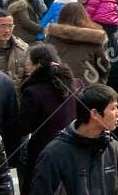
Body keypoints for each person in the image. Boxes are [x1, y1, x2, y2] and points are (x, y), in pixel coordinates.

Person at [17, 44, 77, 184]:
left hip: (43, 150)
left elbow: (24, 127)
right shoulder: (71, 85)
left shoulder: (33, 91)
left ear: (38, 65)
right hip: (71, 147)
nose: (27, 67)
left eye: (29, 63)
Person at [43, 1, 108, 84]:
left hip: (57, 83)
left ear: (61, 16)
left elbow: (43, 61)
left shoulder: (52, 37)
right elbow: (104, 66)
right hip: (86, 85)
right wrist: (100, 83)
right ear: (84, 16)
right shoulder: (94, 39)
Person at [0, 11, 30, 93]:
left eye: (10, 26)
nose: (7, 30)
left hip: (16, 97)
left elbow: (29, 76)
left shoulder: (22, 48)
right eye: (2, 26)